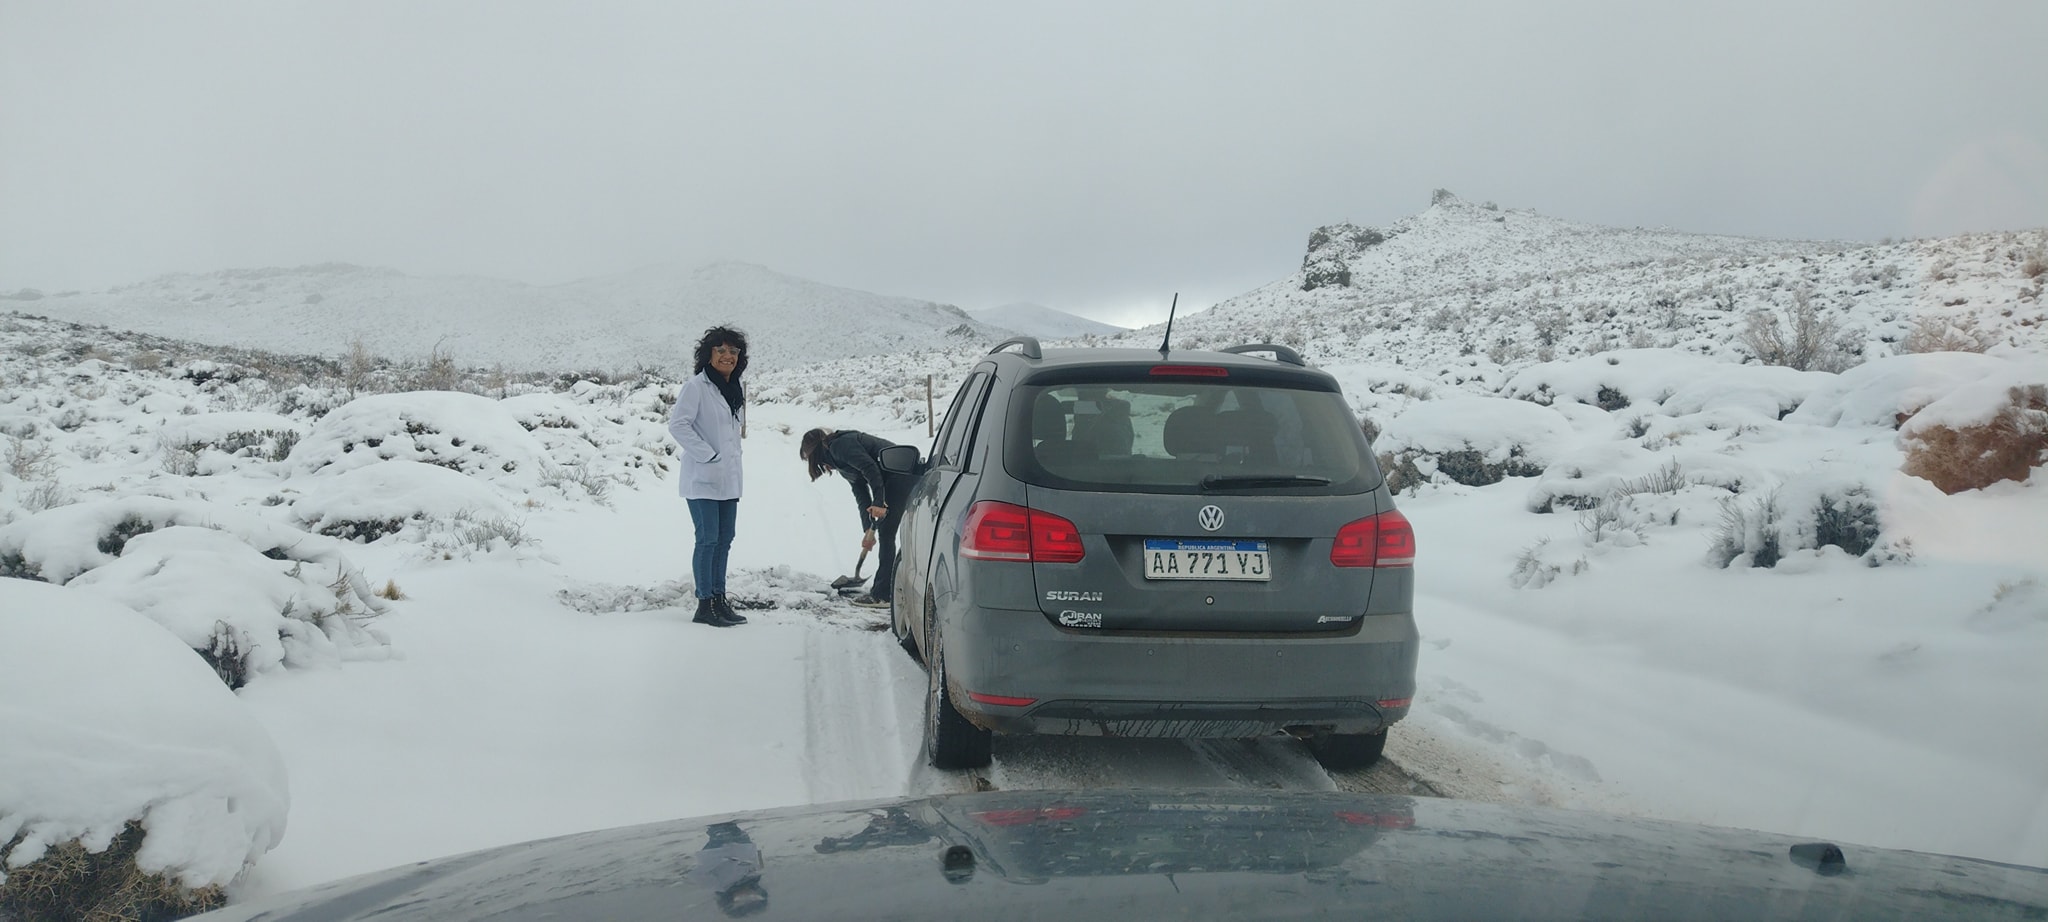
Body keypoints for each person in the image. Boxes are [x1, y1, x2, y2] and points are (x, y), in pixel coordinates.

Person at [669, 326, 749, 628]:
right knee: (708, 540)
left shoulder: (733, 388)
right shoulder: (696, 387)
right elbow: (678, 425)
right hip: (703, 478)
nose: (728, 356)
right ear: (709, 354)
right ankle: (705, 604)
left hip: (728, 479)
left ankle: (719, 599)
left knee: (725, 539)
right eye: (721, 350)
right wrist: (709, 455)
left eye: (733, 351)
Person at [800, 427, 910, 609]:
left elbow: (870, 468)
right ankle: (886, 590)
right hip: (893, 478)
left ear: (814, 454)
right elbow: (860, 493)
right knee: (885, 533)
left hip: (901, 474)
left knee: (886, 533)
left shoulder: (840, 445)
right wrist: (868, 529)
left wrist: (879, 502)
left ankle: (882, 595)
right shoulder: (839, 461)